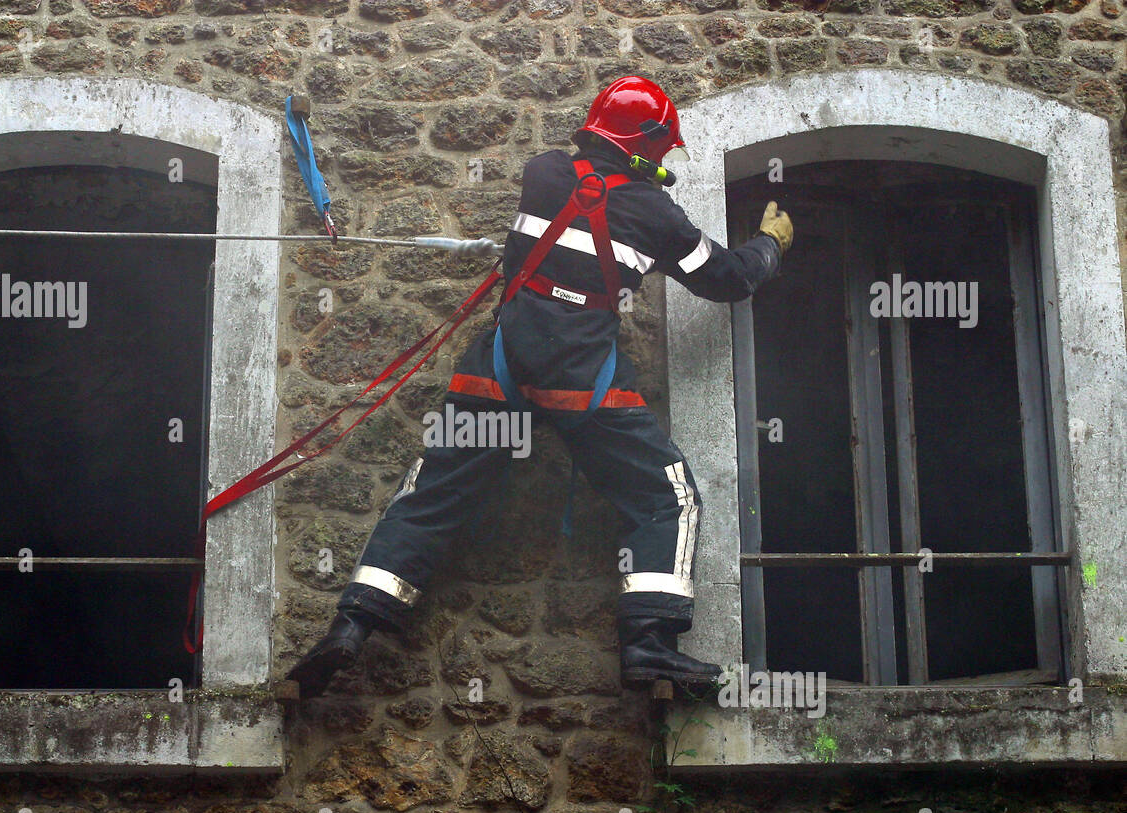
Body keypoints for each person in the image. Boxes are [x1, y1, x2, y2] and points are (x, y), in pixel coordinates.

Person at [288, 75, 793, 698]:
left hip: (495, 374)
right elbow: (725, 279)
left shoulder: (545, 173)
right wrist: (770, 244)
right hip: (583, 386)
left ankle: (351, 623)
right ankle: (650, 644)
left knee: (430, 493)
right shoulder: (655, 213)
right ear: (652, 145)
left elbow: (563, 216)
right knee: (669, 498)